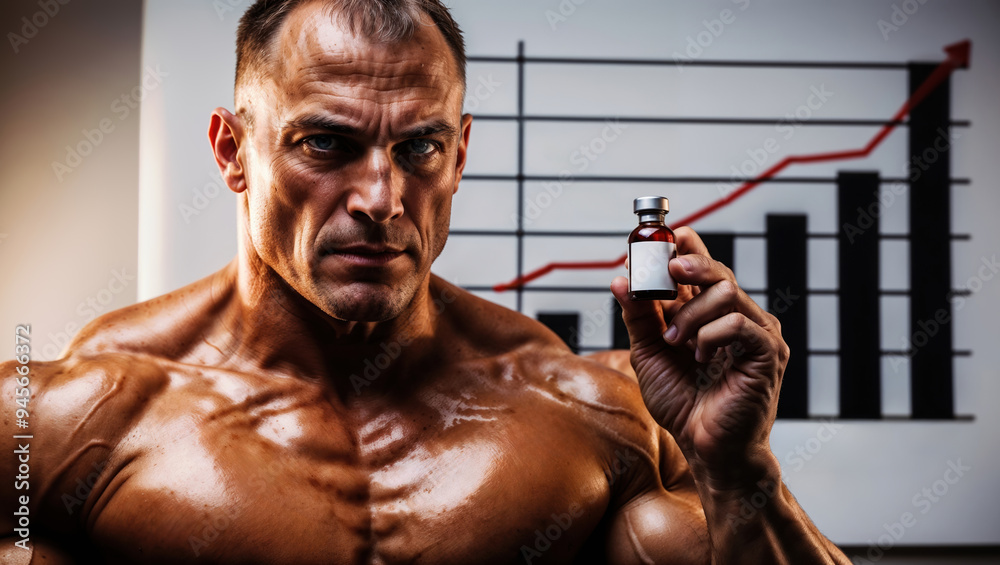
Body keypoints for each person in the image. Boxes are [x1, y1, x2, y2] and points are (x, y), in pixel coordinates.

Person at [1, 0, 851, 562]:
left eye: (420, 149)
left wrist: (740, 469)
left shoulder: (585, 412)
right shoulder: (69, 418)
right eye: (326, 143)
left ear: (461, 155)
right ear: (232, 151)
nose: (381, 198)